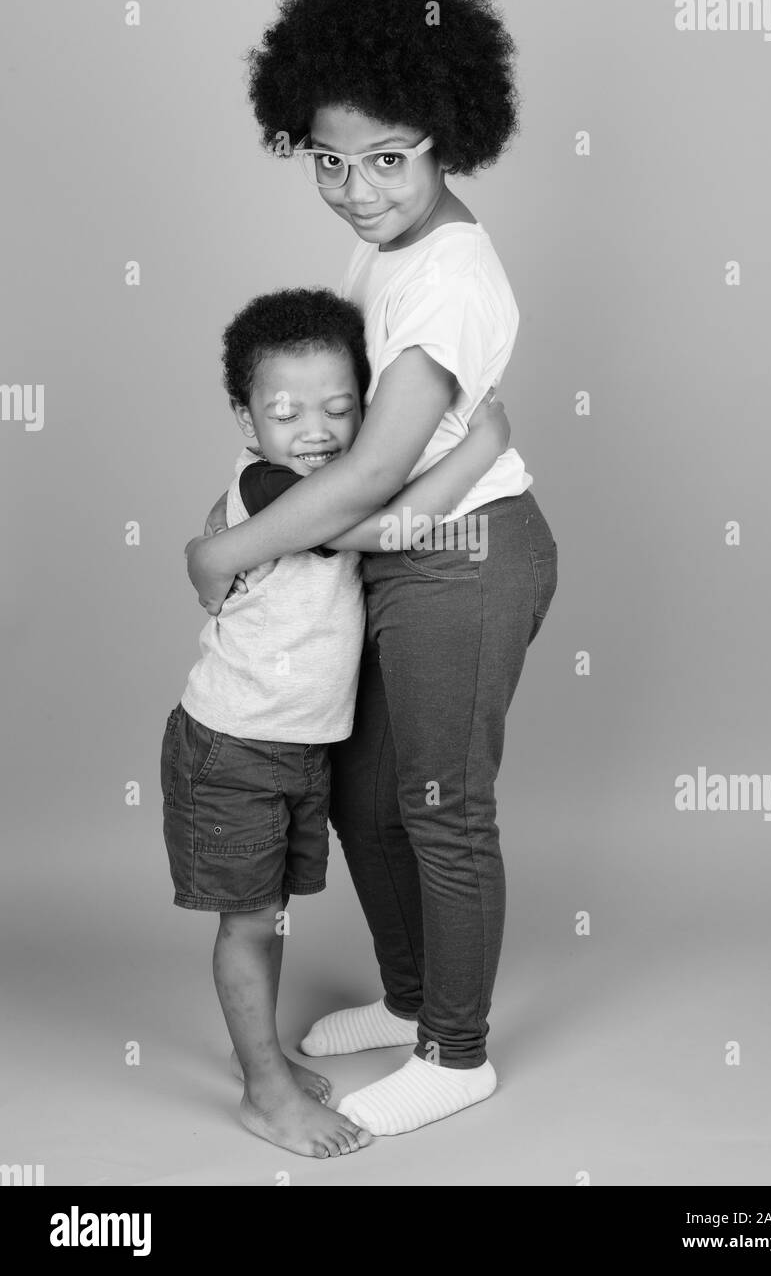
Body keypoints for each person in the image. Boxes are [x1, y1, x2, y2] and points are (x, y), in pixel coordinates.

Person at [186, 0, 558, 1136]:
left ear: (448, 137)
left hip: (469, 556)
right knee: (363, 789)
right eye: (329, 160)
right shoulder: (387, 245)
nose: (355, 188)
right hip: (395, 553)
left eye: (387, 157)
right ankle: (414, 999)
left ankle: (459, 1053)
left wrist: (219, 556)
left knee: (443, 805)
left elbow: (372, 468)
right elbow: (345, 454)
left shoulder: (450, 275)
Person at [166, 285, 508, 1157]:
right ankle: (264, 1092)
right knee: (249, 922)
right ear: (247, 422)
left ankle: (265, 1062)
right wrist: (482, 450)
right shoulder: (275, 489)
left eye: (340, 409)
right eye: (285, 412)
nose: (314, 430)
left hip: (294, 749)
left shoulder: (304, 483)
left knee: (269, 914)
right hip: (233, 748)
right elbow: (389, 525)